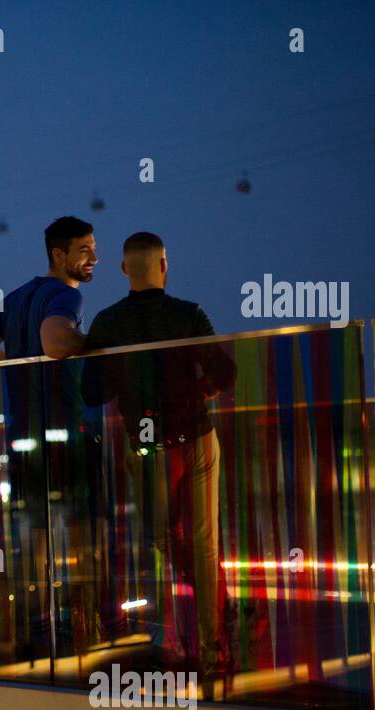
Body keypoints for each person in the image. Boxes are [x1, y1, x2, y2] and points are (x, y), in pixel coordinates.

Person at [81, 232, 236, 685]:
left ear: (124, 269)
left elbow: (94, 391)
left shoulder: (108, 323)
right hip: (200, 436)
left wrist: (119, 371)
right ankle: (214, 646)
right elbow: (225, 371)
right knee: (205, 543)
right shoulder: (189, 313)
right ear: (164, 265)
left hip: (151, 448)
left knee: (164, 538)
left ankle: (210, 620)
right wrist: (199, 387)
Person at [0, 215, 96, 363]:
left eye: (93, 249)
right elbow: (56, 343)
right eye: (84, 251)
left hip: (20, 386)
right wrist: (99, 340)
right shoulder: (67, 295)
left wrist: (17, 369)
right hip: (57, 386)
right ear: (58, 255)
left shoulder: (13, 299)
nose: (94, 258)